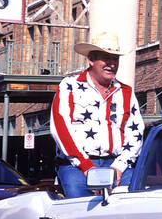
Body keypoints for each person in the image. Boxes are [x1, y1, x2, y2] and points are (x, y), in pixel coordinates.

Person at [51, 31, 145, 197]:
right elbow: (60, 128)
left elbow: (135, 133)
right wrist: (86, 166)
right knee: (79, 208)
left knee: (132, 202)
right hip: (76, 166)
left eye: (115, 59)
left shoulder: (126, 92)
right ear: (91, 60)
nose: (111, 64)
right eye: (106, 58)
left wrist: (120, 166)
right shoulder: (69, 86)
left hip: (117, 164)